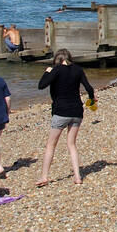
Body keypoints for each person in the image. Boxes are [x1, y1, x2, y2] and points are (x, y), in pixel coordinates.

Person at [36, 49, 95, 187]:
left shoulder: (56, 70)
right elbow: (89, 88)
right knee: (72, 144)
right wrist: (92, 99)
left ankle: (44, 177)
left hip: (61, 112)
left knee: (51, 145)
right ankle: (77, 176)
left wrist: (47, 71)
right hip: (77, 111)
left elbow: (41, 85)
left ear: (57, 59)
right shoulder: (78, 69)